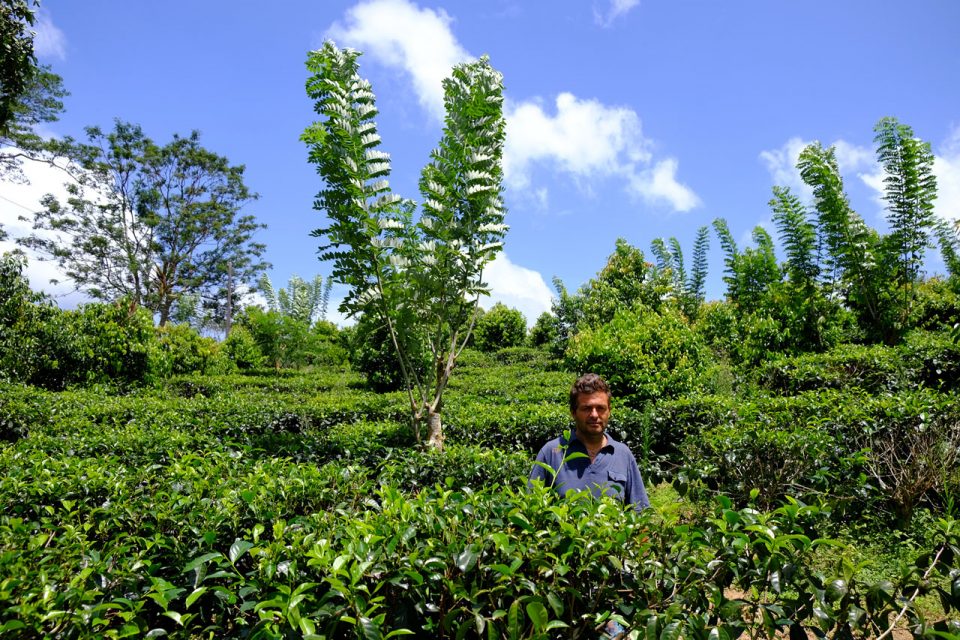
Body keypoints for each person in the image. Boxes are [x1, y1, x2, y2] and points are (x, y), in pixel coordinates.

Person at [529, 372, 649, 511]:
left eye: (600, 408)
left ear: (609, 411)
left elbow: (640, 514)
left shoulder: (623, 454)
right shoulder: (552, 453)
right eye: (586, 408)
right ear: (573, 412)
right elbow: (531, 511)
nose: (594, 415)